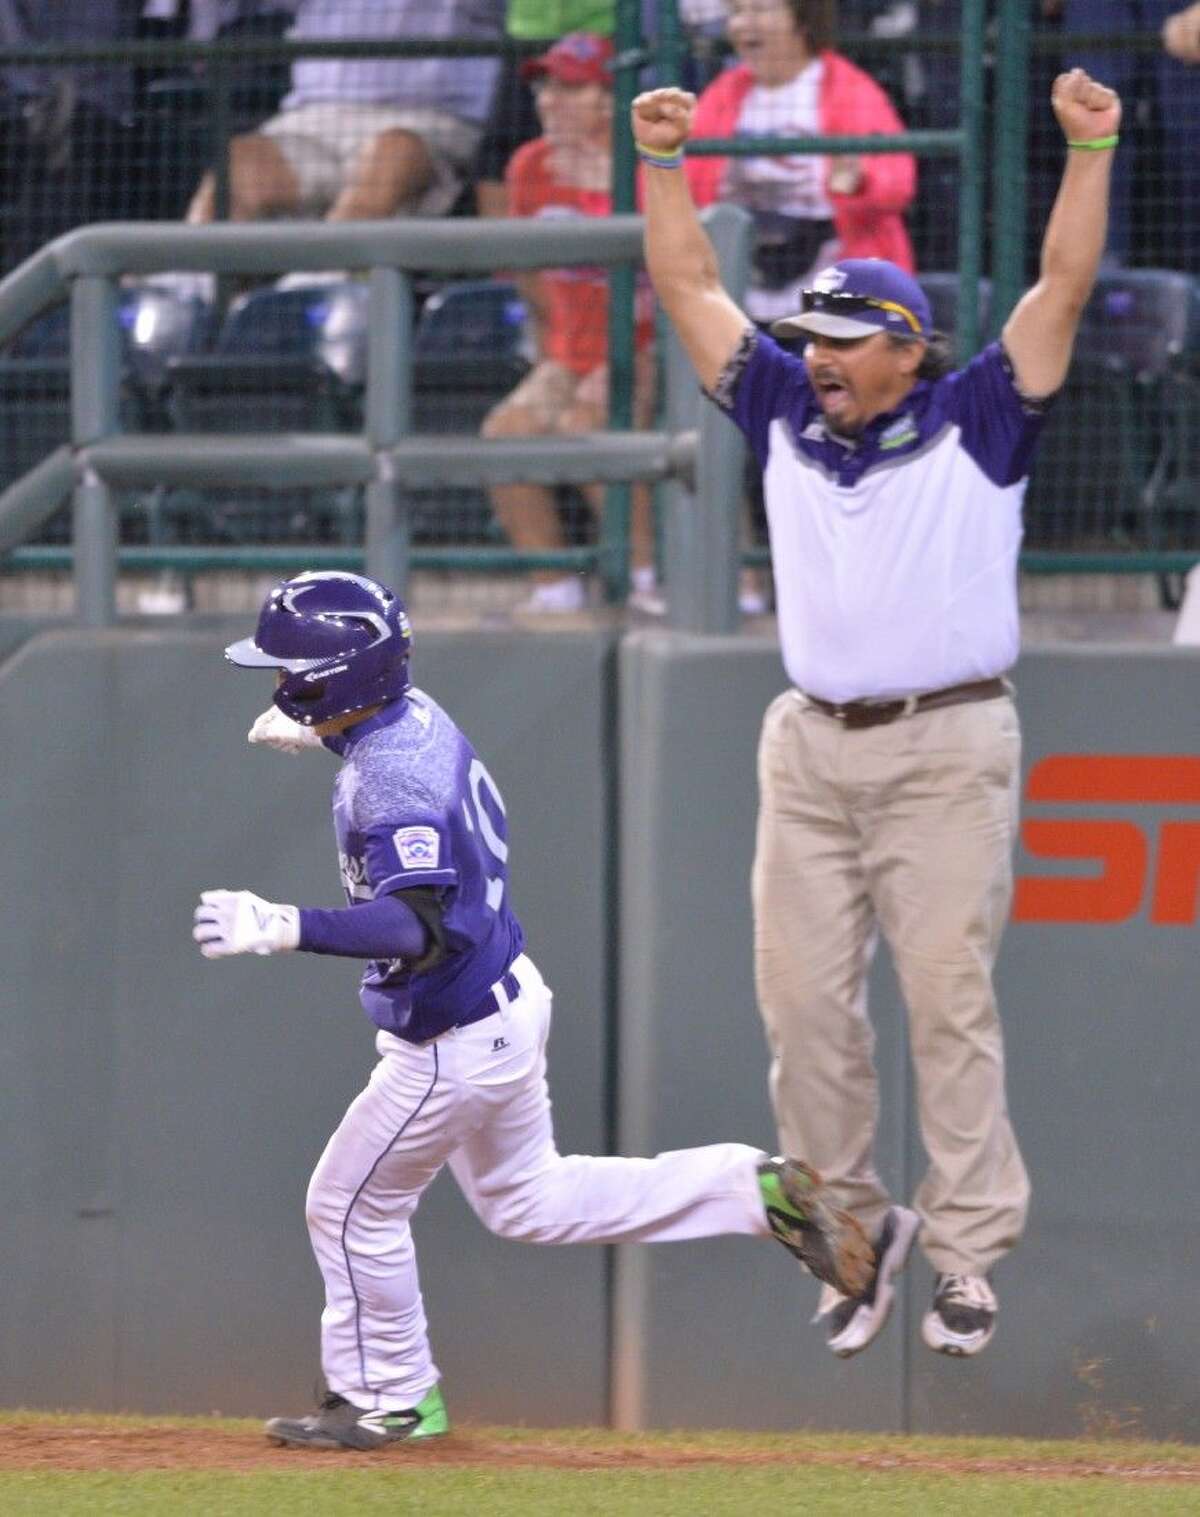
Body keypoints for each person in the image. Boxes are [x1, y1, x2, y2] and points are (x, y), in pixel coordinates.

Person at [632, 66, 1120, 1358]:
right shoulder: (786, 410)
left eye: (847, 338)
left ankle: (964, 1255)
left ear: (910, 347)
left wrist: (1090, 147)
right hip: (809, 746)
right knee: (799, 1007)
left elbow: (1059, 288)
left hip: (947, 742)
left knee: (946, 1000)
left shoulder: (982, 418)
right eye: (812, 336)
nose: (818, 356)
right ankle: (853, 1242)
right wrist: (665, 163)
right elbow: (689, 289)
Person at [191, 568, 873, 1448]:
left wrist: (288, 925)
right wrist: (321, 725)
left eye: (293, 676)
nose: (280, 686)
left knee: (349, 1205)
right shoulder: (403, 715)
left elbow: (419, 923)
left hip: (451, 1033)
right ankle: (749, 1186)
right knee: (530, 1201)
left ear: (337, 681)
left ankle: (391, 1396)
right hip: (506, 1001)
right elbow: (380, 757)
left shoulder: (391, 775)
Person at [481, 33, 661, 616]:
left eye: (571, 88)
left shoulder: (648, 167)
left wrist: (634, 360)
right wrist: (555, 353)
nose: (549, 100)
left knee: (590, 425)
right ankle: (555, 589)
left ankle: (647, 581)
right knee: (504, 434)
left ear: (612, 99)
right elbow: (532, 276)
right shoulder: (530, 166)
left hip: (651, 347)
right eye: (545, 85)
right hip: (568, 348)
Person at [684, 0, 916, 328]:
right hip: (739, 291)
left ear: (803, 20)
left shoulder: (848, 88)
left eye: (760, 10)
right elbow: (683, 184)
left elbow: (898, 182)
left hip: (834, 299)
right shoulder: (723, 95)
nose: (742, 24)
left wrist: (861, 181)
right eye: (736, 12)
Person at [185, 0, 503, 226]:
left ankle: (322, 291)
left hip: (432, 116)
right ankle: (187, 292)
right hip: (315, 118)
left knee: (392, 156)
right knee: (239, 164)